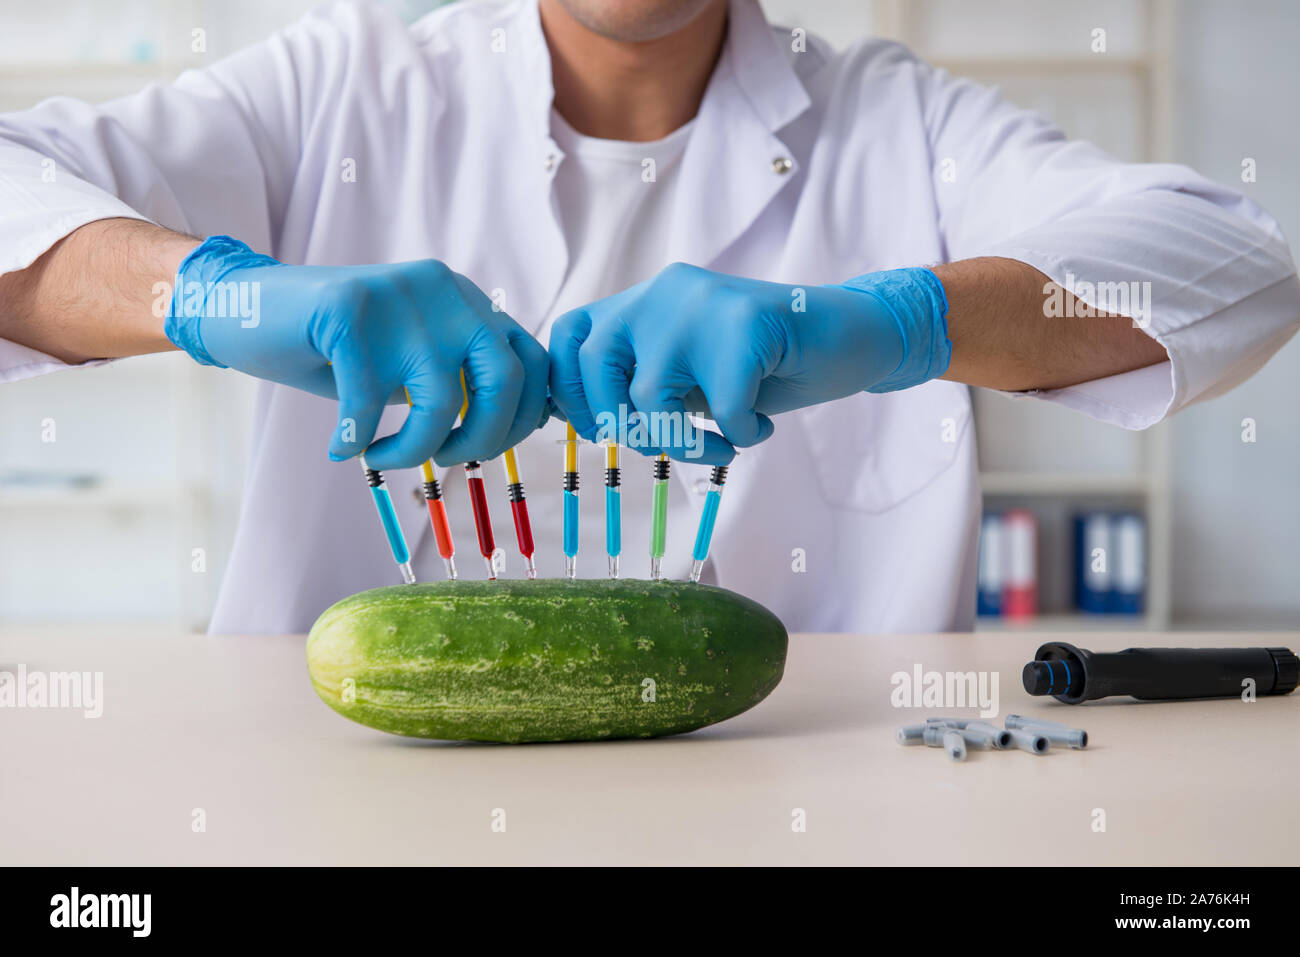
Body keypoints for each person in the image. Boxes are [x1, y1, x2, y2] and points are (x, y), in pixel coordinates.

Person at [0, 0, 1296, 633]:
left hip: (830, 817)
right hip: (339, 809)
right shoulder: (342, 87)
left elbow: (1239, 265)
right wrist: (216, 294)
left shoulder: (896, 124)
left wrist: (889, 321)